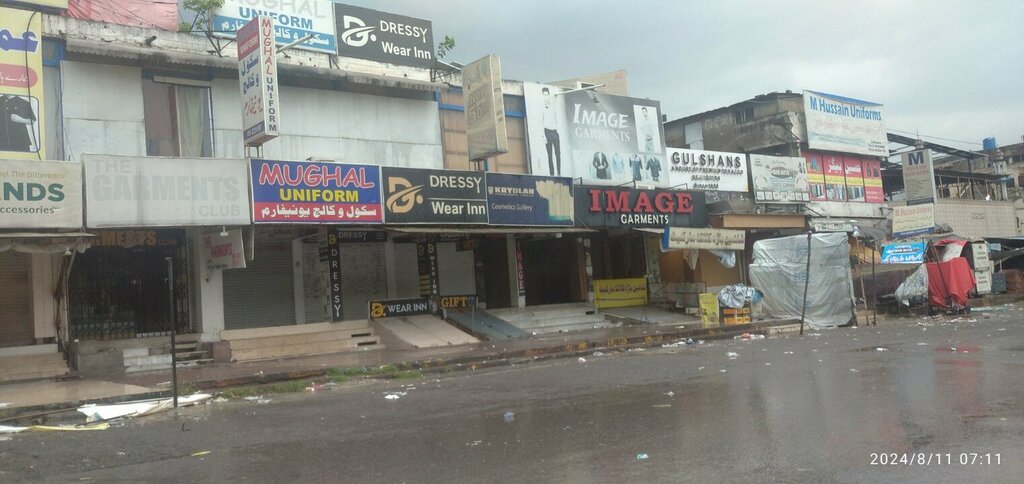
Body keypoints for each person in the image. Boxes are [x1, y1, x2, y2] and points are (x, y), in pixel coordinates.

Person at [541, 87, 561, 176]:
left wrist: (558, 130)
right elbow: (540, 122)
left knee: (558, 154)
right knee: (550, 155)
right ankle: (552, 174)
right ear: (542, 95)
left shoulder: (553, 106)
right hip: (547, 132)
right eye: (544, 95)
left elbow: (557, 119)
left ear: (549, 95)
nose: (546, 97)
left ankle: (559, 173)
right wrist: (543, 135)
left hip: (555, 132)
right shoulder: (541, 107)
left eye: (547, 95)